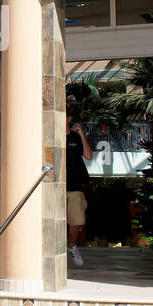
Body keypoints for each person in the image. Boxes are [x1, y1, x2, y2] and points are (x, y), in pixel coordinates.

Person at [66, 103, 93, 267]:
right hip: (56, 186)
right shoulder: (51, 135)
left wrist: (81, 133)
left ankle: (72, 245)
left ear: (69, 119)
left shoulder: (75, 137)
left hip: (75, 186)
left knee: (77, 220)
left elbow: (88, 155)